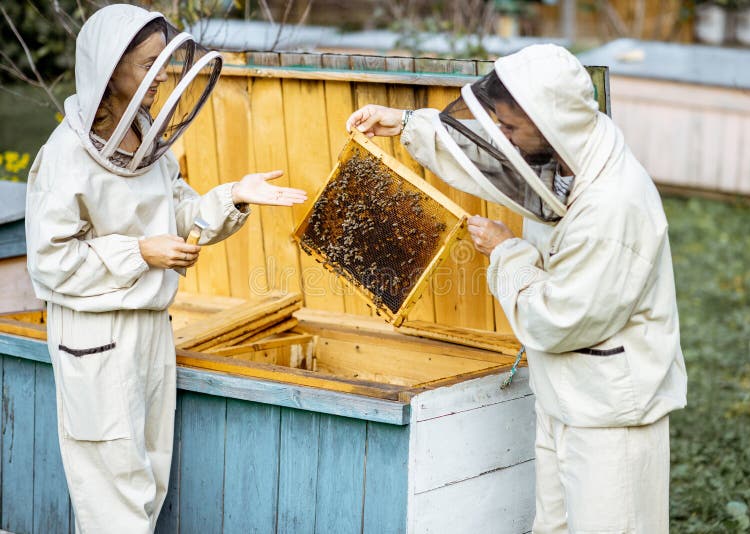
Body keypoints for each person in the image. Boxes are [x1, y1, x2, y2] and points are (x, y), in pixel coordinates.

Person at [346, 44, 687, 533]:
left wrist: (508, 252)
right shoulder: (567, 153)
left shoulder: (614, 210)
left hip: (612, 418)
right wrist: (404, 124)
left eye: (509, 127)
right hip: (565, 397)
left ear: (549, 124)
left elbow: (555, 320)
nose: (501, 137)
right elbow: (489, 162)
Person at [25, 5, 306, 533]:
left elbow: (179, 212)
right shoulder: (65, 155)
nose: (158, 79)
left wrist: (232, 196)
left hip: (152, 330)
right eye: (146, 66)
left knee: (149, 484)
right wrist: (141, 253)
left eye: (163, 64)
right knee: (114, 501)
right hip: (95, 334)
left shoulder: (147, 138)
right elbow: (50, 263)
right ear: (110, 71)